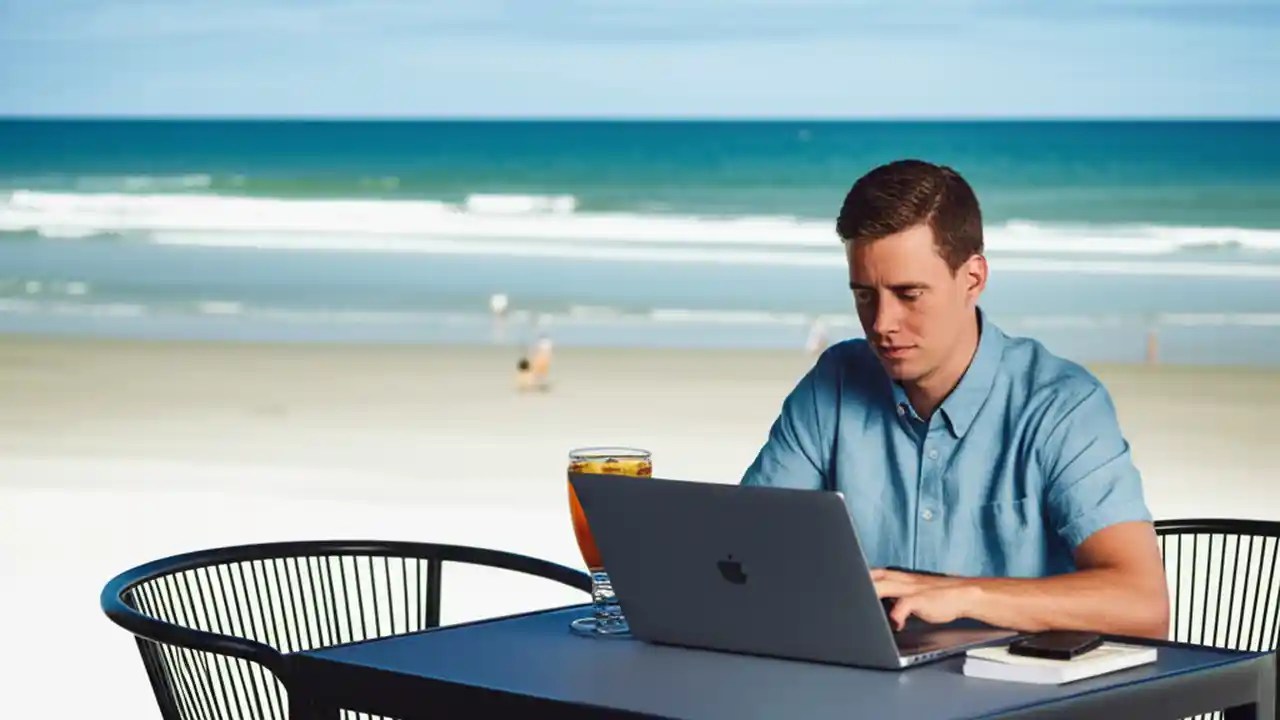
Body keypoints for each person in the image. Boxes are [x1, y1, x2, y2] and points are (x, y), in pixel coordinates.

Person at [741, 160, 1170, 639]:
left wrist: (962, 593)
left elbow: (1142, 603)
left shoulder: (1063, 407)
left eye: (909, 294)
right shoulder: (834, 384)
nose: (882, 323)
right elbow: (742, 553)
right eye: (865, 295)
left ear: (973, 278)